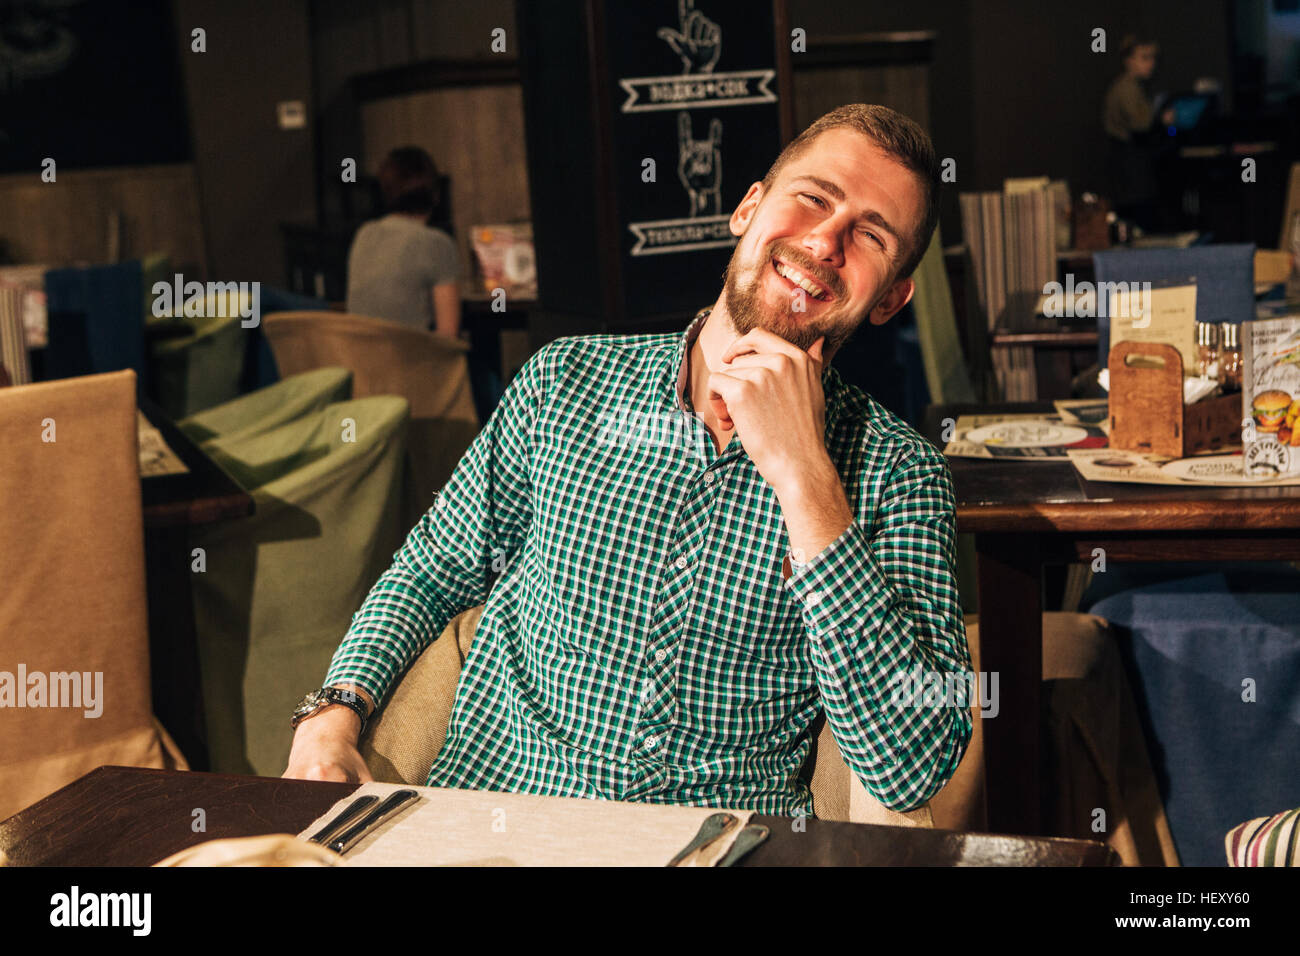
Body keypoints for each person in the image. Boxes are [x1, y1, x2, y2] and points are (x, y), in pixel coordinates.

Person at [285, 104, 972, 817]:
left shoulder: (901, 473)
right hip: (494, 826)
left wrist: (807, 483)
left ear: (891, 298)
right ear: (748, 208)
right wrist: (333, 711)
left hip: (719, 849)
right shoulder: (565, 381)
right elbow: (433, 569)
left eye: (869, 234)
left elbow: (909, 770)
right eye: (813, 198)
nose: (827, 240)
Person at [345, 146, 461, 337]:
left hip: (362, 363)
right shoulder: (437, 243)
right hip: (412, 364)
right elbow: (448, 335)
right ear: (435, 194)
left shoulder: (363, 234)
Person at [1102, 36, 1175, 231]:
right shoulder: (1127, 88)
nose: (1151, 63)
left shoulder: (1137, 87)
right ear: (1129, 60)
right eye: (1144, 57)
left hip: (1135, 168)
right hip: (1130, 169)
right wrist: (1162, 119)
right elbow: (1141, 125)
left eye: (1153, 58)